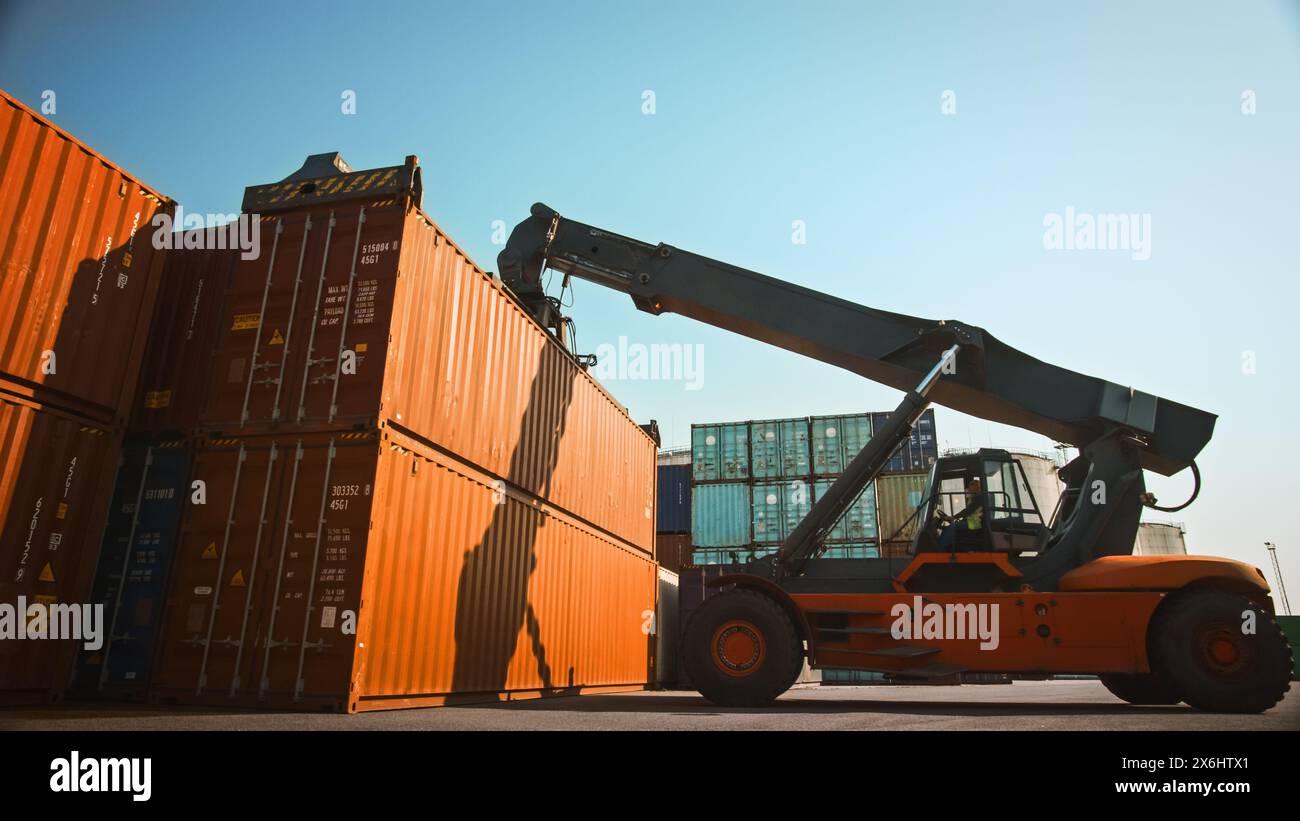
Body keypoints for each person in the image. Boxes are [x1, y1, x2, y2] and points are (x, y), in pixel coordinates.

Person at [936, 477, 983, 551]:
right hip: (971, 522)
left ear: (977, 487)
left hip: (975, 523)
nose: (968, 487)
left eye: (971, 484)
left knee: (952, 527)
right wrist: (953, 518)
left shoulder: (978, 497)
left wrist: (953, 517)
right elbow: (967, 511)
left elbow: (967, 511)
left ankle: (939, 550)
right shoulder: (973, 497)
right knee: (947, 528)